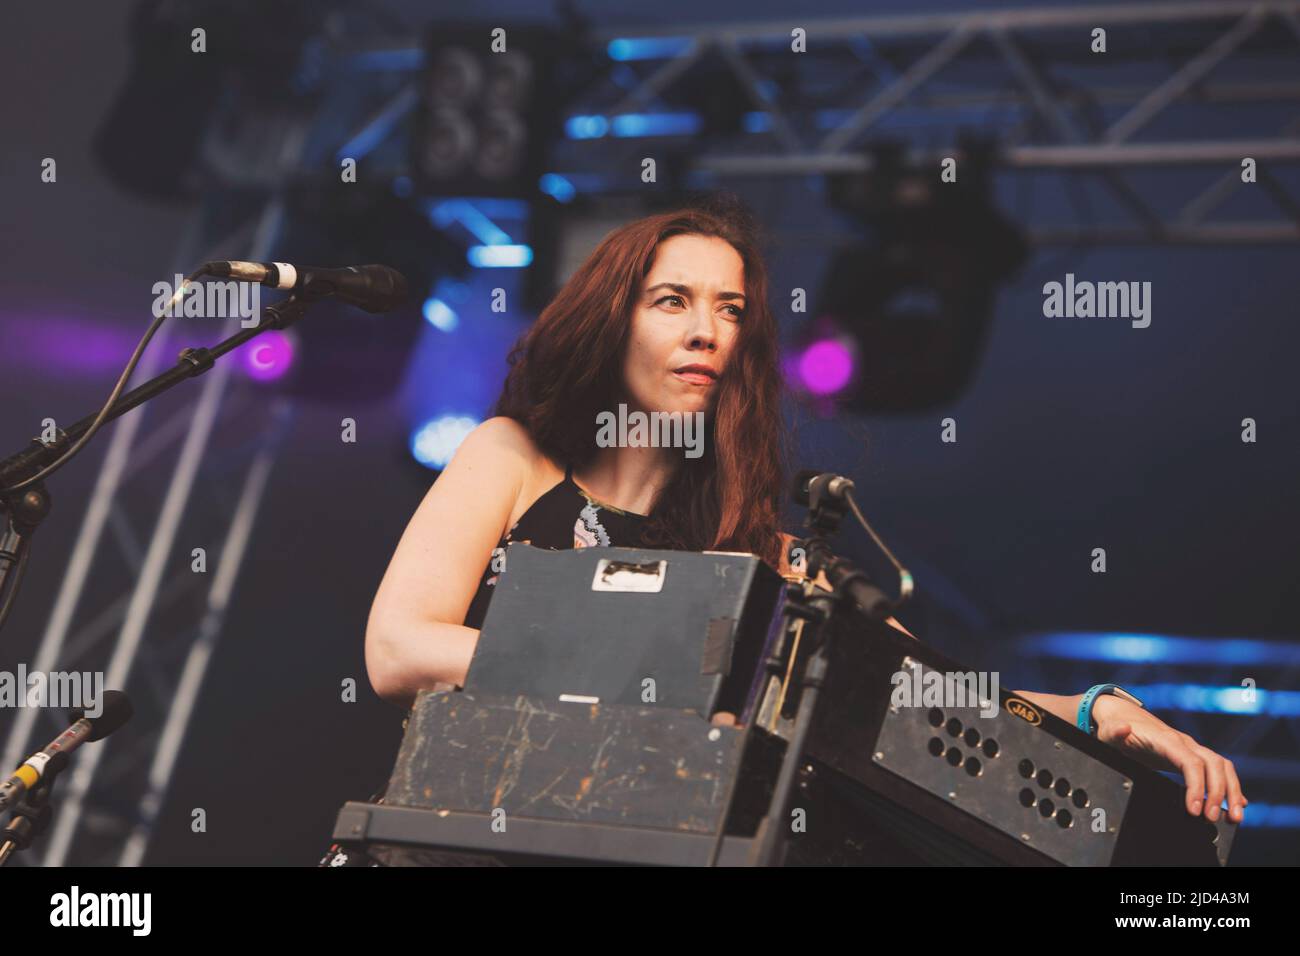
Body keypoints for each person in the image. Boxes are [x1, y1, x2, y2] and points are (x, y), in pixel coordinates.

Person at [321, 197, 1244, 866]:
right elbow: (399, 647)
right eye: (672, 300)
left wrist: (1094, 714)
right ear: (612, 318)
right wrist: (655, 672)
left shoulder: (759, 553)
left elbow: (921, 703)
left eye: (731, 311)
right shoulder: (511, 457)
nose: (707, 332)